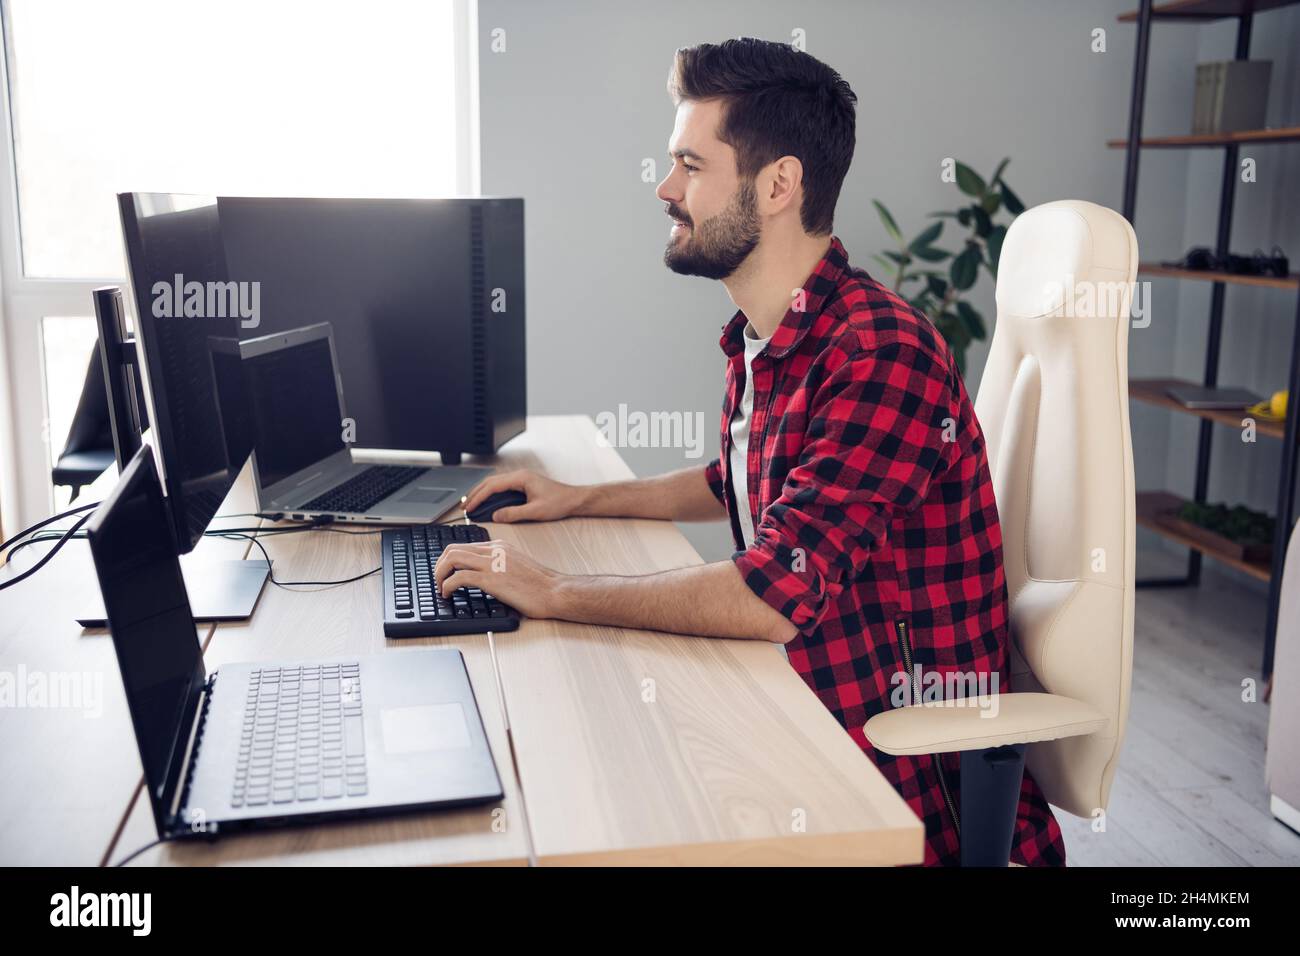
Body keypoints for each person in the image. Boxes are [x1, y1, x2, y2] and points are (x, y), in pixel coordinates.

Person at [435, 37, 1064, 866]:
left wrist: (552, 589)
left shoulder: (879, 352)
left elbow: (775, 591)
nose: (665, 189)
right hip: (800, 708)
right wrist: (577, 498)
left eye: (690, 166)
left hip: (891, 786)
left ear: (778, 185)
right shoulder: (773, 338)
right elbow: (737, 480)